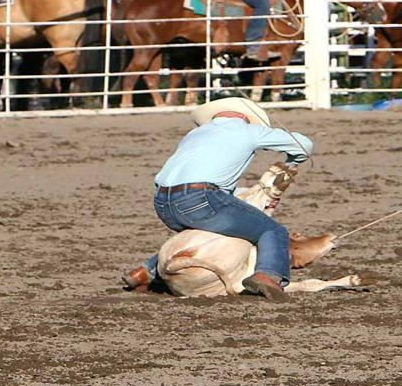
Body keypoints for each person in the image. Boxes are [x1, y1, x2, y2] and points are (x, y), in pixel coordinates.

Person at [120, 97, 315, 302]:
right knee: (272, 230)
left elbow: (214, 188)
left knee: (204, 231)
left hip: (163, 201)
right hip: (201, 198)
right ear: (247, 118)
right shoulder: (247, 131)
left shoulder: (194, 134)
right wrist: (292, 162)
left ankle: (145, 271)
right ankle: (267, 276)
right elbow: (303, 145)